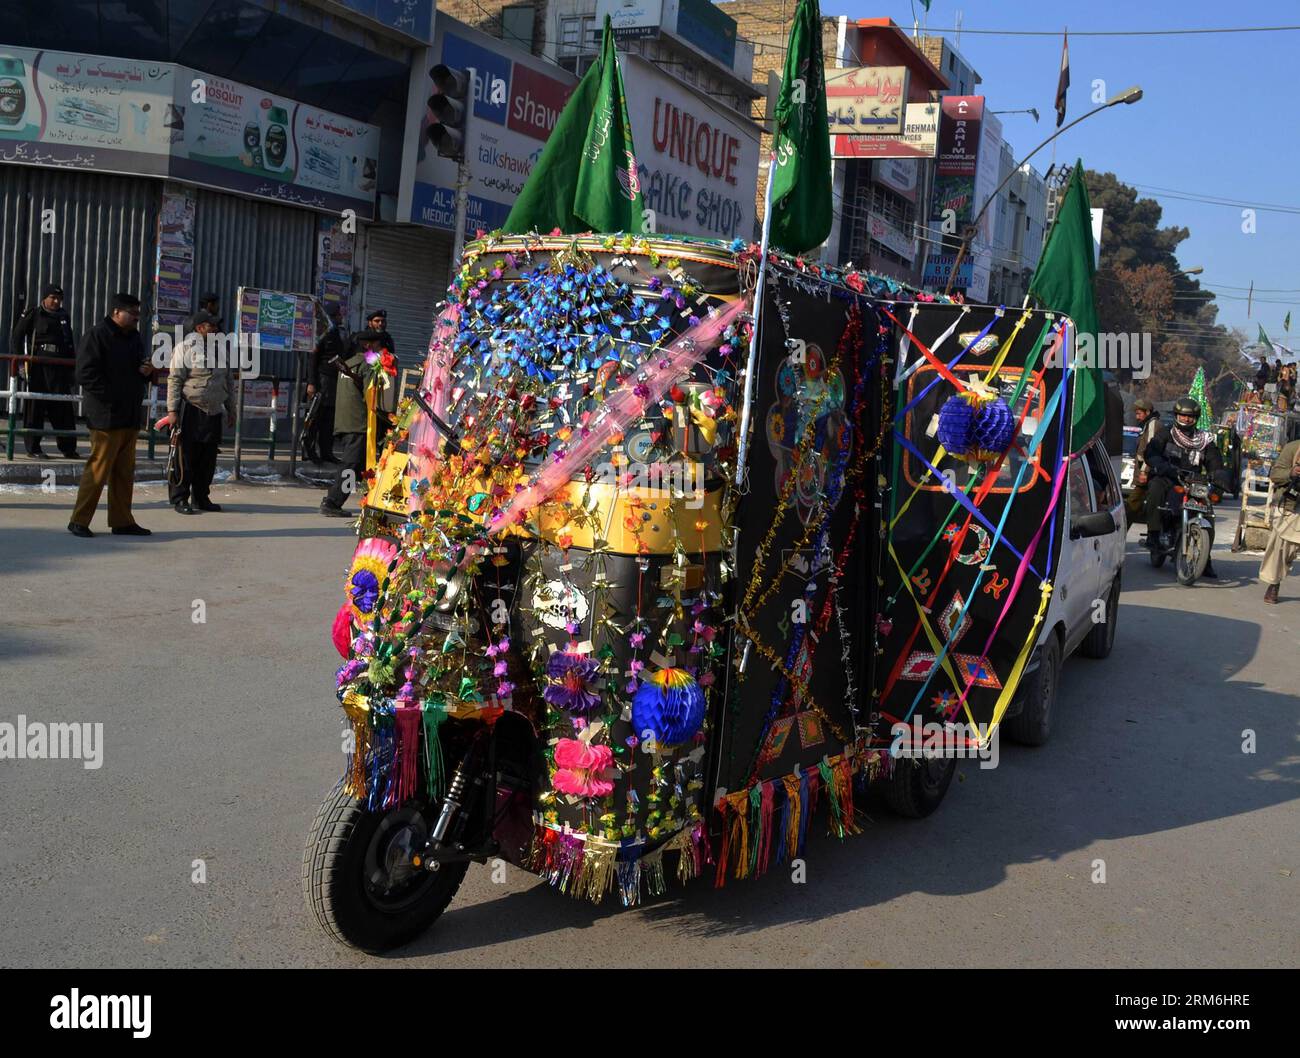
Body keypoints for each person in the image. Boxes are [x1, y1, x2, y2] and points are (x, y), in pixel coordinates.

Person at [68, 293, 155, 537]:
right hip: (106, 415)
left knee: (124, 473)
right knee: (98, 470)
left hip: (129, 415)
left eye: (138, 314)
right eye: (132, 313)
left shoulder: (134, 338)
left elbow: (138, 369)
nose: (137, 318)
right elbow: (85, 374)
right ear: (116, 312)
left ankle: (122, 521)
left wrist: (146, 371)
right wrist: (113, 395)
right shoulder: (97, 335)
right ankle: (79, 520)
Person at [1143, 396, 1228, 577]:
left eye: (1190, 417)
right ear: (1176, 416)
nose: (1186, 419)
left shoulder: (1205, 440)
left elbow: (1216, 464)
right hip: (1169, 477)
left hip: (1193, 482)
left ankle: (1206, 559)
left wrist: (1219, 482)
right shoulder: (1166, 434)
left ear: (1196, 419)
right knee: (1155, 489)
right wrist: (1165, 468)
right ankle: (1154, 534)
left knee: (1208, 513)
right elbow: (1151, 453)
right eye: (1182, 416)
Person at [159, 310, 234, 514]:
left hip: (213, 412)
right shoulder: (184, 349)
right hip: (190, 410)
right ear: (200, 328)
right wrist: (172, 410)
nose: (217, 329)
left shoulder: (221, 350)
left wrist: (231, 409)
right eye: (212, 326)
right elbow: (174, 380)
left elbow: (228, 381)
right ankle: (179, 498)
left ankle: (201, 498)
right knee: (185, 458)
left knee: (207, 460)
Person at [320, 334, 392, 517]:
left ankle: (355, 497)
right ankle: (333, 501)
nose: (381, 350)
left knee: (357, 465)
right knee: (350, 465)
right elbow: (372, 396)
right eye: (378, 345)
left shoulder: (350, 363)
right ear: (368, 345)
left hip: (345, 421)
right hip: (358, 423)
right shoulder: (367, 365)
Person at [12, 282, 79, 458]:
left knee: (62, 407)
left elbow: (69, 343)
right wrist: (20, 364)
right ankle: (33, 449)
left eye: (59, 299)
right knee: (35, 407)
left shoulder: (64, 317)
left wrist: (72, 368)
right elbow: (17, 337)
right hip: (38, 367)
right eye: (53, 298)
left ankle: (68, 448)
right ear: (45, 298)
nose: (56, 302)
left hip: (60, 367)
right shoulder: (33, 314)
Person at [1261, 437, 1300, 603]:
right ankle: (1274, 583)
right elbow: (1276, 474)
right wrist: (1291, 473)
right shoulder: (1293, 448)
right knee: (1282, 550)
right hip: (1291, 506)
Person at [305, 308, 346, 464]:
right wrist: (311, 383)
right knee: (315, 418)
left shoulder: (338, 333)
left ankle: (326, 452)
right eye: (337, 315)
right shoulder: (322, 334)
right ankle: (309, 451)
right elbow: (312, 360)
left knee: (328, 421)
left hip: (334, 382)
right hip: (322, 381)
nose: (340, 317)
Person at [1123, 398, 1159, 531]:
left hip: (1147, 474)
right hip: (1143, 473)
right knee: (1135, 506)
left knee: (1132, 504)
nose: (1137, 417)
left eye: (1139, 413)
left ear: (1148, 412)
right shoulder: (1146, 425)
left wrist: (1144, 471)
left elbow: (1150, 450)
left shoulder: (1153, 424)